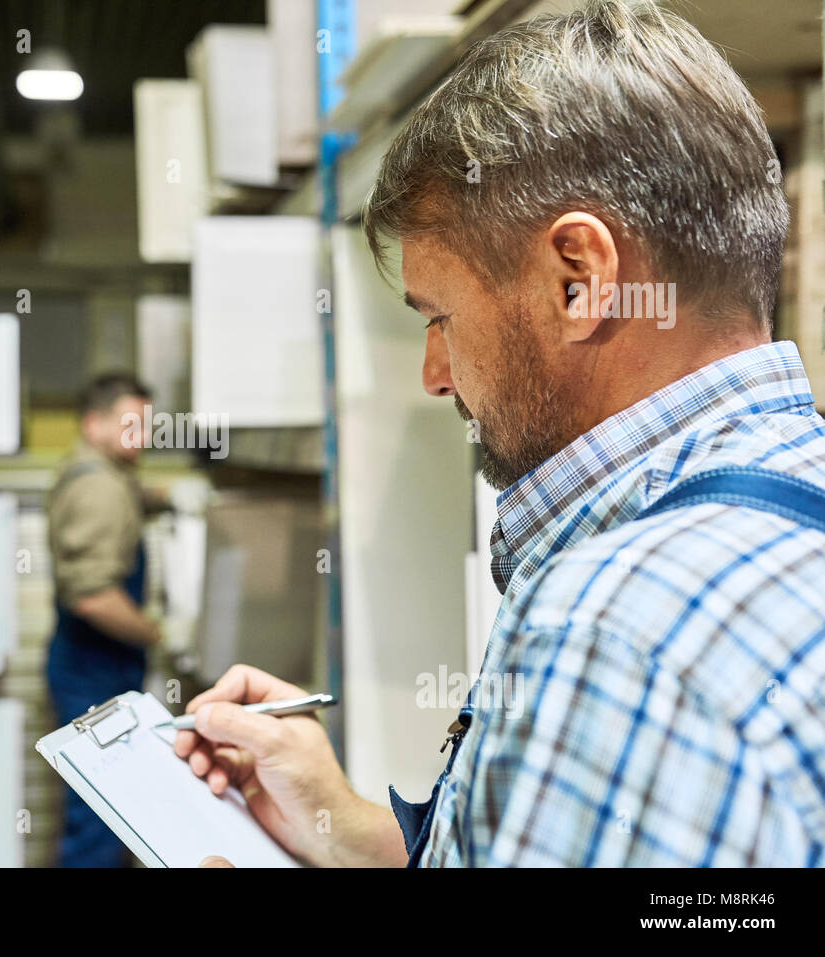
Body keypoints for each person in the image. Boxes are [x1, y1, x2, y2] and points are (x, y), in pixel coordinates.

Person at [177, 0, 825, 866]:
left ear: (578, 279)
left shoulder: (609, 633)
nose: (435, 373)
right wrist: (347, 827)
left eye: (439, 316)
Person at [46, 372, 166, 867]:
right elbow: (93, 597)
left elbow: (127, 494)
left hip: (88, 667)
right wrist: (157, 633)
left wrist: (164, 498)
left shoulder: (98, 472)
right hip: (93, 671)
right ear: (93, 424)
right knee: (99, 817)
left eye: (149, 426)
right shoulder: (101, 488)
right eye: (131, 424)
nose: (143, 436)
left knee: (105, 809)